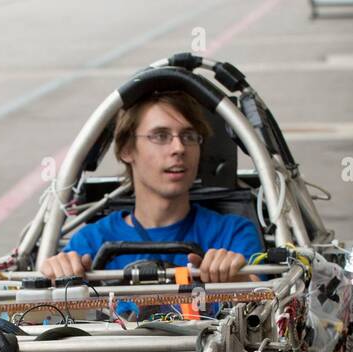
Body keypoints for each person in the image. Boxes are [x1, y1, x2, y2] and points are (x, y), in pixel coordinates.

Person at [39, 90, 261, 284]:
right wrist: (54, 280)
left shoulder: (232, 234)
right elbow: (36, 321)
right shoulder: (90, 242)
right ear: (127, 149)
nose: (179, 148)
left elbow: (268, 307)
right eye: (161, 136)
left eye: (189, 136)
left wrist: (238, 280)